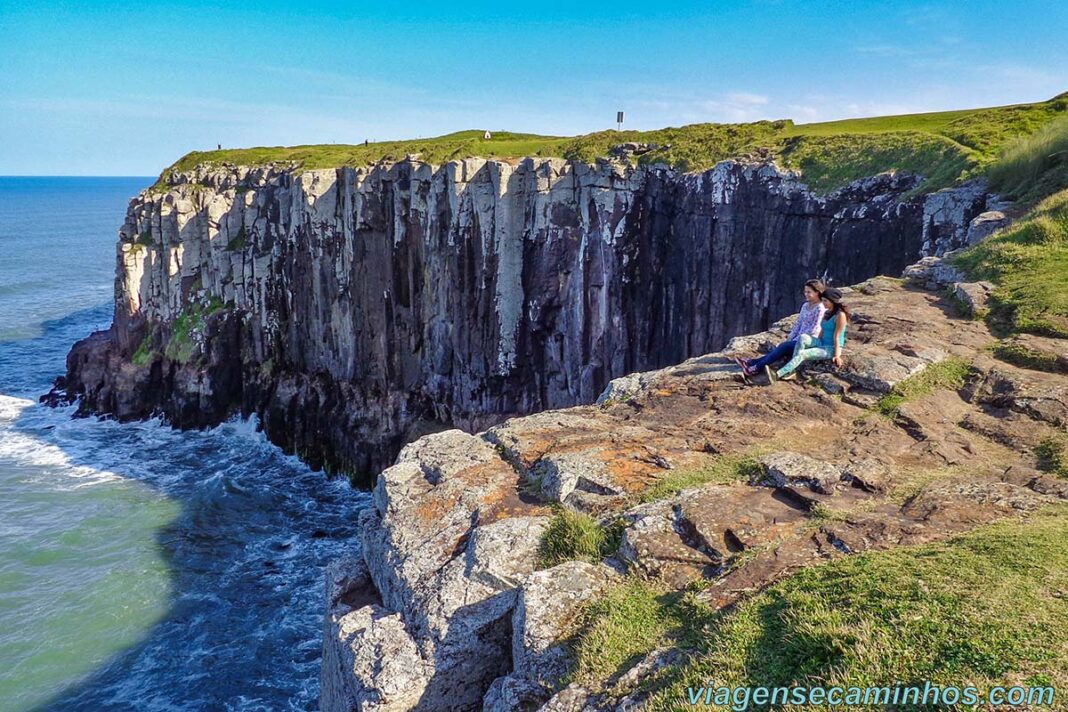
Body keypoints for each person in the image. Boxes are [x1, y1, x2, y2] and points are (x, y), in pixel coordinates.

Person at [735, 279, 826, 378]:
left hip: (808, 340)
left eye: (809, 292)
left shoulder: (820, 308)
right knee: (782, 347)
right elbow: (799, 323)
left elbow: (815, 327)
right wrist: (791, 337)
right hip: (798, 338)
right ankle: (752, 363)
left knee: (783, 347)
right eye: (805, 291)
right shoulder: (805, 305)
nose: (806, 294)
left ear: (817, 292)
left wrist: (797, 340)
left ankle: (755, 367)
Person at [766, 287, 850, 384]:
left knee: (803, 353)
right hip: (821, 342)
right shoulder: (827, 312)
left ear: (833, 301)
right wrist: (815, 342)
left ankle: (779, 374)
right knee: (803, 337)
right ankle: (792, 368)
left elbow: (837, 336)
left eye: (826, 301)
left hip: (830, 348)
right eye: (822, 300)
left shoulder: (840, 316)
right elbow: (822, 330)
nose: (823, 303)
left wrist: (836, 356)